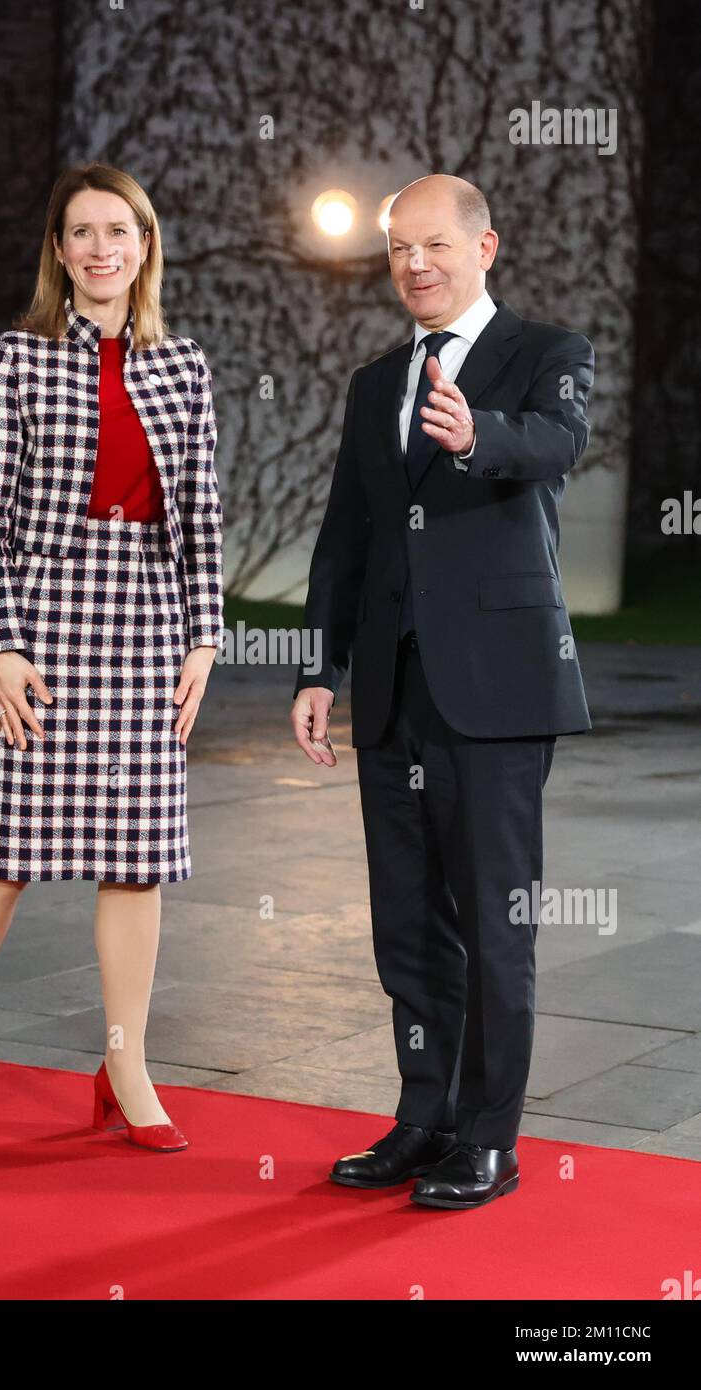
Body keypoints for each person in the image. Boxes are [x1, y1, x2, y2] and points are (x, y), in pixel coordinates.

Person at [290, 173, 594, 1209]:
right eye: (397, 250)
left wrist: (480, 438)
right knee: (407, 923)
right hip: (390, 690)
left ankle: (490, 1138)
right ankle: (424, 1117)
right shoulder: (377, 380)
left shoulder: (545, 355)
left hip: (498, 694)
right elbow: (344, 537)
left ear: (483, 248)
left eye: (432, 245)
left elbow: (557, 447)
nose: (413, 264)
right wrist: (315, 669)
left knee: (493, 919)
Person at [0, 162, 223, 1153]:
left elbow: (202, 515)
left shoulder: (185, 366)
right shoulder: (14, 358)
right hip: (41, 624)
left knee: (135, 864)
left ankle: (123, 1061)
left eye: (117, 231)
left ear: (143, 245)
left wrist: (204, 636)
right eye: (80, 232)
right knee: (2, 857)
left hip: (145, 624)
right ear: (58, 250)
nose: (99, 249)